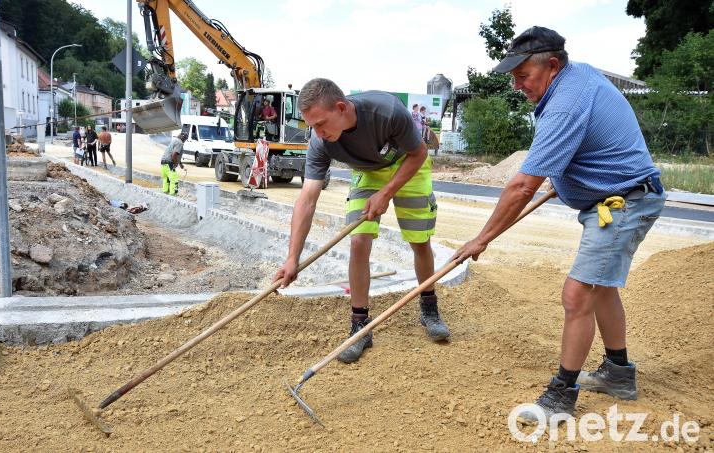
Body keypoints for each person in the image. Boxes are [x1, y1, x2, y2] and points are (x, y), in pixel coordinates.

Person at [450, 26, 666, 420]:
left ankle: (560, 398)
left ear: (552, 65)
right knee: (599, 289)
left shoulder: (566, 102)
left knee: (577, 294)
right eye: (513, 77)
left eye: (522, 76)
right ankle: (619, 374)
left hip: (624, 202)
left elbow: (520, 187)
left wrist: (481, 239)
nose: (516, 85)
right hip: (621, 196)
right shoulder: (577, 76)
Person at [273, 78, 450, 364]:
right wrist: (292, 258)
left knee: (419, 242)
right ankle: (360, 327)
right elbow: (307, 199)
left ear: (341, 108)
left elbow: (418, 153)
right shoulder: (320, 142)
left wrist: (386, 192)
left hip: (408, 165)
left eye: (320, 124)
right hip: (367, 172)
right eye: (312, 127)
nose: (317, 133)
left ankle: (429, 307)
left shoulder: (387, 112)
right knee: (357, 242)